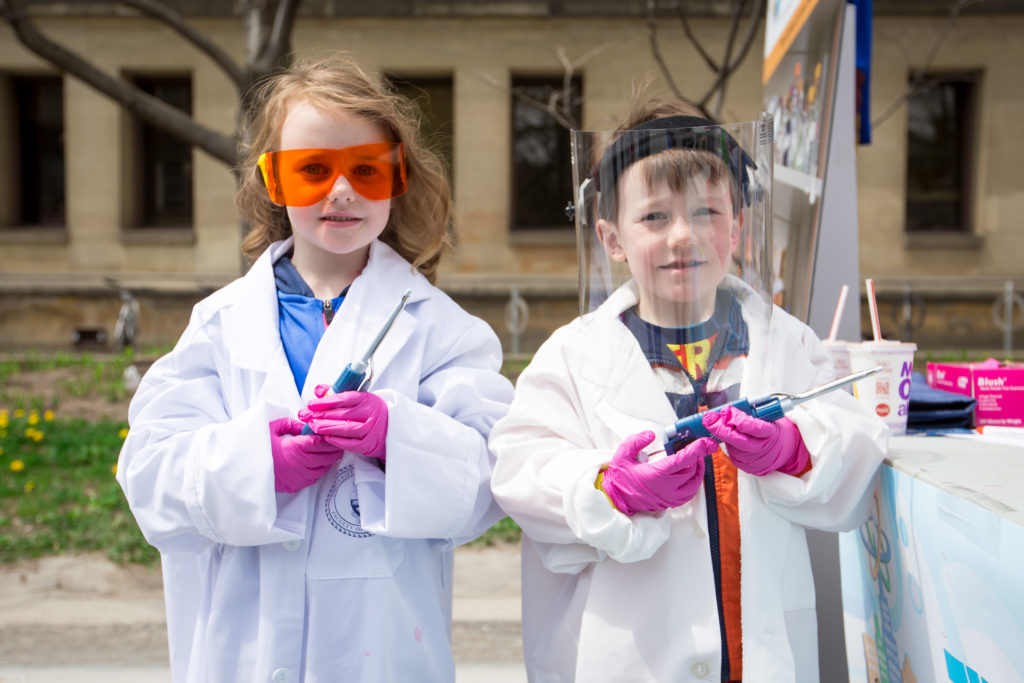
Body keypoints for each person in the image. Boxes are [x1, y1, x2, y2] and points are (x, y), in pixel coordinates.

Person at [116, 55, 514, 683]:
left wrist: (395, 436)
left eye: (365, 169)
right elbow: (148, 474)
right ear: (273, 182)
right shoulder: (219, 326)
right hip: (240, 648)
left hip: (385, 649)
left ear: (397, 176)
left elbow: (491, 475)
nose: (342, 191)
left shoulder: (443, 330)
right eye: (313, 171)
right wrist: (257, 464)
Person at [489, 100, 887, 683]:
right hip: (630, 651)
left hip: (757, 651)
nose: (683, 235)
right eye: (654, 218)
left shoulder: (784, 342)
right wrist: (607, 487)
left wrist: (793, 449)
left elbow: (854, 440)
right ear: (611, 238)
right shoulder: (573, 356)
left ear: (737, 226)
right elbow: (520, 469)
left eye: (706, 211)